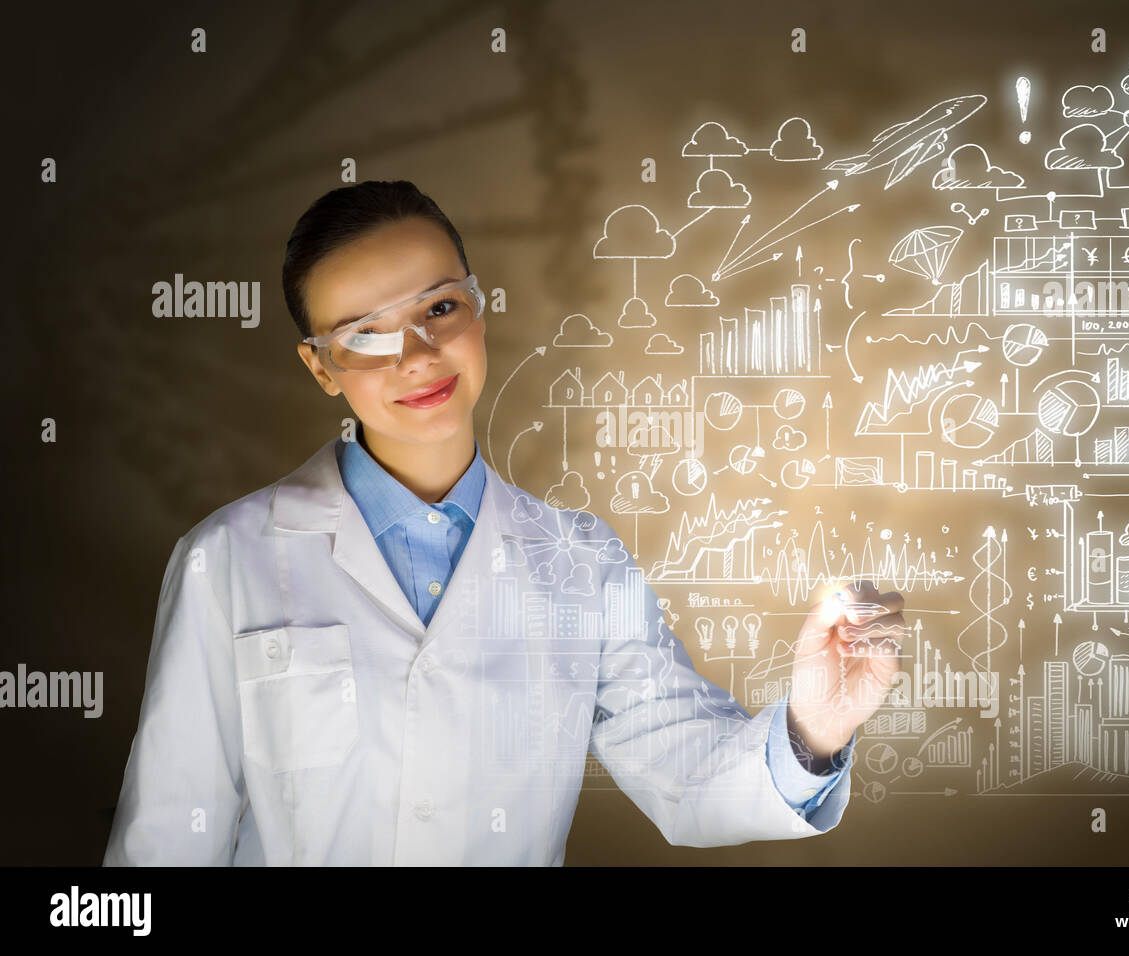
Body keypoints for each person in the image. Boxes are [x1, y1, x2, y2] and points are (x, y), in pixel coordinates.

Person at [103, 180, 906, 865]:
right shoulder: (229, 560)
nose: (415, 355)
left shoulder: (580, 565)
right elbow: (170, 838)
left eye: (439, 308)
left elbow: (687, 770)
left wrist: (813, 728)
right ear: (320, 366)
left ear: (480, 308)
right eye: (364, 336)